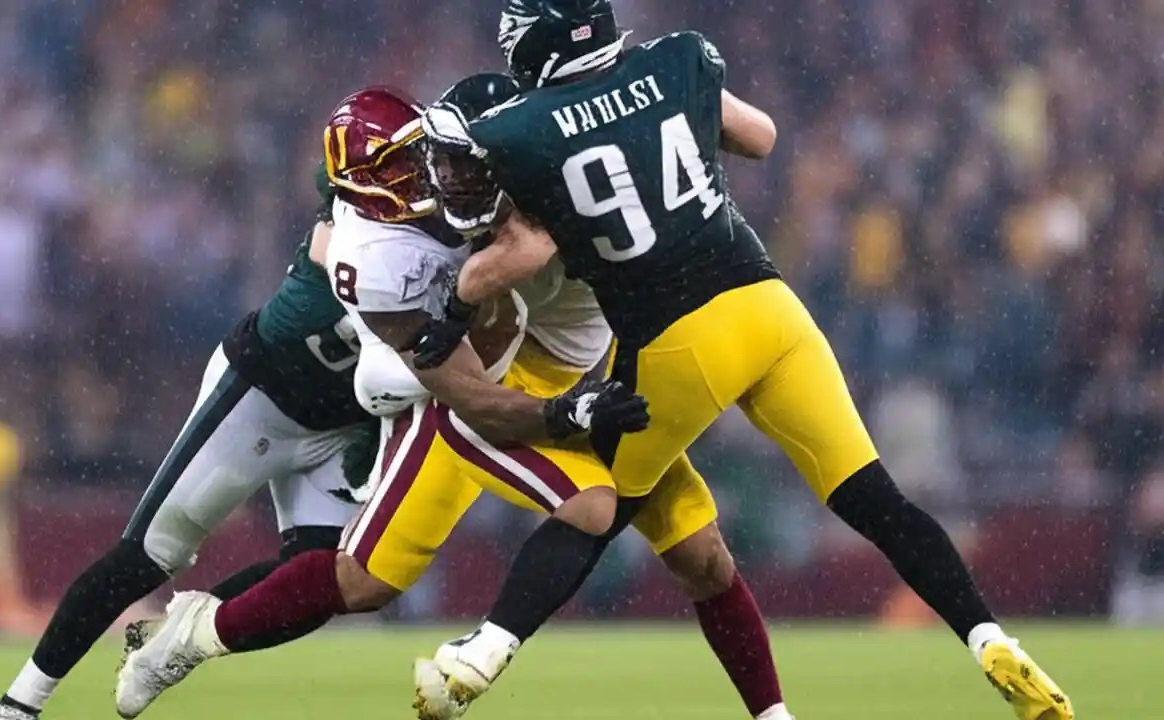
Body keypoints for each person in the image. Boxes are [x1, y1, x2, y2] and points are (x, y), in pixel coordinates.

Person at [408, 3, 1073, 720]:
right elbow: (760, 136)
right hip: (768, 307)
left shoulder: (519, 129)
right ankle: (986, 636)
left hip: (675, 337)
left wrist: (452, 308)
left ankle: (480, 656)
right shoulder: (678, 60)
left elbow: (520, 249)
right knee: (876, 499)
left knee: (594, 510)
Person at [115, 79, 794, 720]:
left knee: (701, 555)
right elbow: (465, 387)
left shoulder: (564, 168)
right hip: (481, 395)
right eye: (449, 162)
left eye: (475, 163)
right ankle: (202, 636)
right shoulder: (387, 246)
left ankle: (774, 714)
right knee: (393, 571)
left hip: (589, 374)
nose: (455, 180)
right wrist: (562, 406)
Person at [0, 195, 380, 719]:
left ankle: (176, 639)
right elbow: (339, 193)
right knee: (149, 554)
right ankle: (17, 706)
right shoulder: (363, 213)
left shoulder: (465, 245)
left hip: (343, 424)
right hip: (263, 394)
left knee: (323, 579)